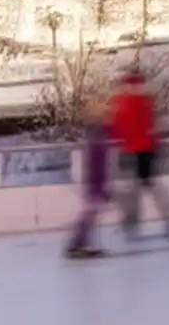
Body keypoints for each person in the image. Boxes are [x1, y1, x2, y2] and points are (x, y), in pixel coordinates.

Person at [110, 69, 169, 239]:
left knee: (137, 188)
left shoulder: (126, 102)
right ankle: (163, 221)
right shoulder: (141, 102)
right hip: (141, 150)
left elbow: (121, 127)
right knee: (145, 187)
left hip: (136, 151)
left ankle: (133, 223)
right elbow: (144, 127)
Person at [65, 99, 111, 259]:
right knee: (89, 214)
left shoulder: (97, 136)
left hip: (96, 181)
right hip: (95, 182)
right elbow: (96, 165)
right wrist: (100, 186)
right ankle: (77, 244)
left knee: (90, 214)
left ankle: (79, 243)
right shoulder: (97, 139)